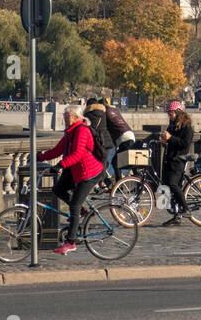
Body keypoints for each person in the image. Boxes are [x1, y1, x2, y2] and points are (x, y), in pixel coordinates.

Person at [37, 105, 104, 254]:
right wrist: (41, 156)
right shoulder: (70, 132)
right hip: (77, 171)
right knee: (58, 189)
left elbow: (79, 154)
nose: (66, 120)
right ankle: (82, 211)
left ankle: (71, 242)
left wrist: (61, 165)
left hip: (89, 173)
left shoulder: (82, 130)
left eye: (68, 117)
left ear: (77, 118)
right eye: (65, 117)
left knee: (73, 206)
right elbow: (58, 150)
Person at [158, 100, 196, 226]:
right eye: (169, 113)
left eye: (171, 113)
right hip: (170, 158)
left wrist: (170, 138)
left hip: (179, 159)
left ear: (178, 113)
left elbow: (184, 144)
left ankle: (186, 209)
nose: (169, 115)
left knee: (173, 184)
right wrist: (165, 141)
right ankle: (177, 215)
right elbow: (172, 141)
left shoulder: (187, 128)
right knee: (167, 186)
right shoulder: (172, 125)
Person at [101, 99, 136, 180]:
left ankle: (119, 184)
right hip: (129, 134)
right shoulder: (115, 110)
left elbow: (107, 129)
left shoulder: (105, 113)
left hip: (123, 138)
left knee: (116, 162)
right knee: (131, 161)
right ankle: (124, 182)